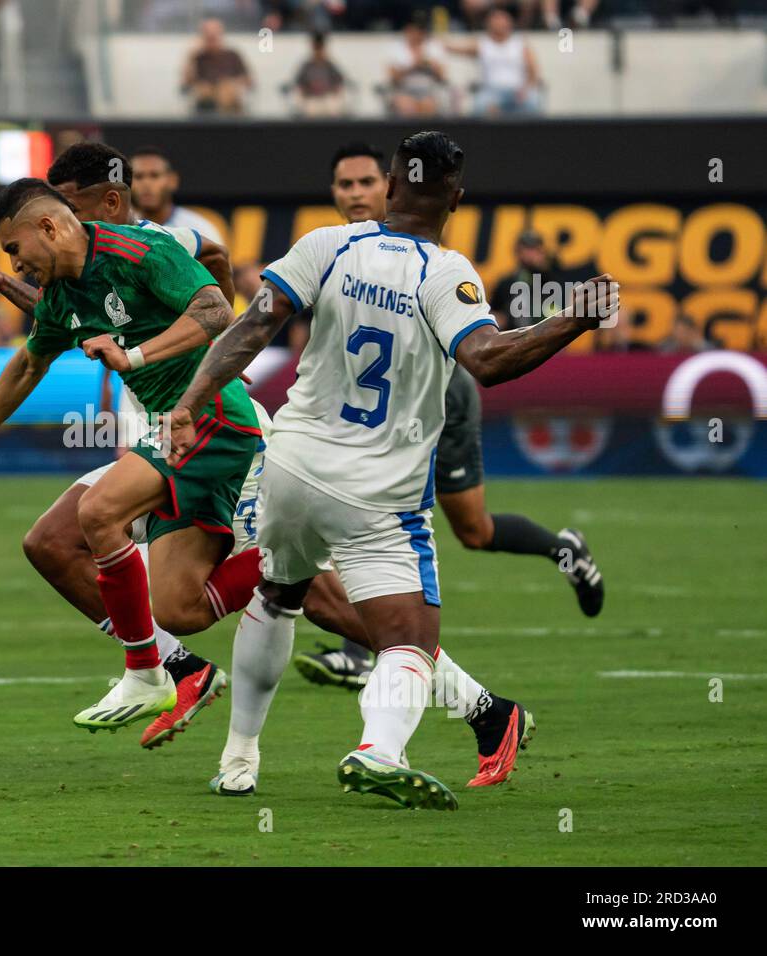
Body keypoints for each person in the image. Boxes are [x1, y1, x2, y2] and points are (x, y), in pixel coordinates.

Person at [165, 130, 618, 807]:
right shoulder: (446, 272)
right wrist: (571, 320)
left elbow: (253, 325)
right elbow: (489, 361)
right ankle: (378, 749)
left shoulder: (327, 245)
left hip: (290, 463)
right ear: (456, 200)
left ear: (391, 187)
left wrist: (188, 402)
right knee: (408, 637)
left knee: (278, 596)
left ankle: (238, 760)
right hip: (377, 491)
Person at [0, 177, 262, 735]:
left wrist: (135, 355)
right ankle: (296, 556)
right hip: (175, 433)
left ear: (50, 227)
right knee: (181, 607)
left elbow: (215, 310)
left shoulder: (138, 251)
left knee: (99, 512)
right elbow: (29, 366)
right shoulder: (61, 296)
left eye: (14, 249)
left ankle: (146, 670)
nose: (17, 263)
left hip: (212, 417)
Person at [292, 143, 604, 698]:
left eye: (366, 181)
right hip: (371, 414)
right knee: (459, 527)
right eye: (345, 186)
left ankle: (368, 651)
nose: (356, 194)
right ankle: (563, 549)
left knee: (440, 522)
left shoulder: (429, 251)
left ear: (388, 187)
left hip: (435, 397)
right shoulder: (335, 249)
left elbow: (475, 348)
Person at [448, 8, 541, 117]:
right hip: (491, 91)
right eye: (495, 19)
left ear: (509, 22)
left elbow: (533, 71)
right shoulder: (482, 44)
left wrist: (526, 88)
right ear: (488, 23)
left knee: (532, 102)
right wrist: (439, 43)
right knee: (480, 105)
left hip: (518, 89)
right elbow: (459, 48)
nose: (498, 22)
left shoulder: (520, 44)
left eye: (502, 19)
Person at [129, 145, 223, 243]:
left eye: (154, 176)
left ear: (173, 181)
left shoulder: (199, 230)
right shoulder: (119, 228)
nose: (146, 183)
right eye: (138, 176)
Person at [489, 229, 566, 330]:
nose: (530, 254)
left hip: (546, 338)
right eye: (526, 249)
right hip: (514, 338)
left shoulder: (552, 280)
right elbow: (494, 313)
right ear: (517, 252)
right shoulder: (506, 283)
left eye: (535, 249)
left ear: (542, 252)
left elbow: (562, 314)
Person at [181, 17, 252, 115]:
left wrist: (231, 84)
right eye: (208, 35)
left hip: (230, 101)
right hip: (205, 102)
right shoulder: (197, 57)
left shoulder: (232, 55)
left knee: (226, 90)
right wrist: (191, 56)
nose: (212, 39)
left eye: (214, 35)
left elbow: (248, 80)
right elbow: (185, 83)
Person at [386, 16, 449, 117]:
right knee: (407, 107)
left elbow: (442, 77)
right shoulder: (396, 49)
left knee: (428, 106)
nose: (415, 35)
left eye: (419, 31)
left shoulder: (433, 48)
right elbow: (394, 78)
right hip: (404, 91)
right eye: (412, 31)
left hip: (428, 92)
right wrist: (413, 66)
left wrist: (429, 64)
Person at [289, 32, 346, 117]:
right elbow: (299, 83)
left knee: (333, 106)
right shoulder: (307, 66)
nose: (318, 51)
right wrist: (307, 90)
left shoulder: (329, 65)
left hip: (327, 97)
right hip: (311, 98)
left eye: (320, 48)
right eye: (316, 48)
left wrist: (332, 89)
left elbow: (339, 81)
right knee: (310, 109)